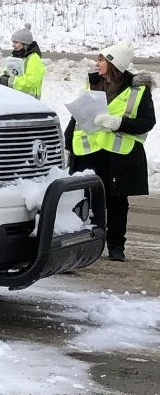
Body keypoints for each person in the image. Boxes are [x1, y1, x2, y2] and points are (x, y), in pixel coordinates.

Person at [65, 41, 152, 262]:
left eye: (102, 59)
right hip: (89, 153)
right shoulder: (92, 83)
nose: (98, 63)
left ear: (114, 64)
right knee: (85, 199)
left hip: (117, 156)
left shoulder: (138, 89)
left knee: (116, 203)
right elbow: (76, 118)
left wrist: (118, 123)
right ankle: (88, 243)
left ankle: (115, 246)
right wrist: (66, 144)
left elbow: (147, 122)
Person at [0, 26, 45, 97]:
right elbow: (9, 71)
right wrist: (4, 76)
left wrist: (8, 81)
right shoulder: (16, 55)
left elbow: (30, 82)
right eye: (13, 42)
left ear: (24, 44)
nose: (13, 45)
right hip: (17, 97)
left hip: (30, 101)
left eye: (16, 42)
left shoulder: (34, 58)